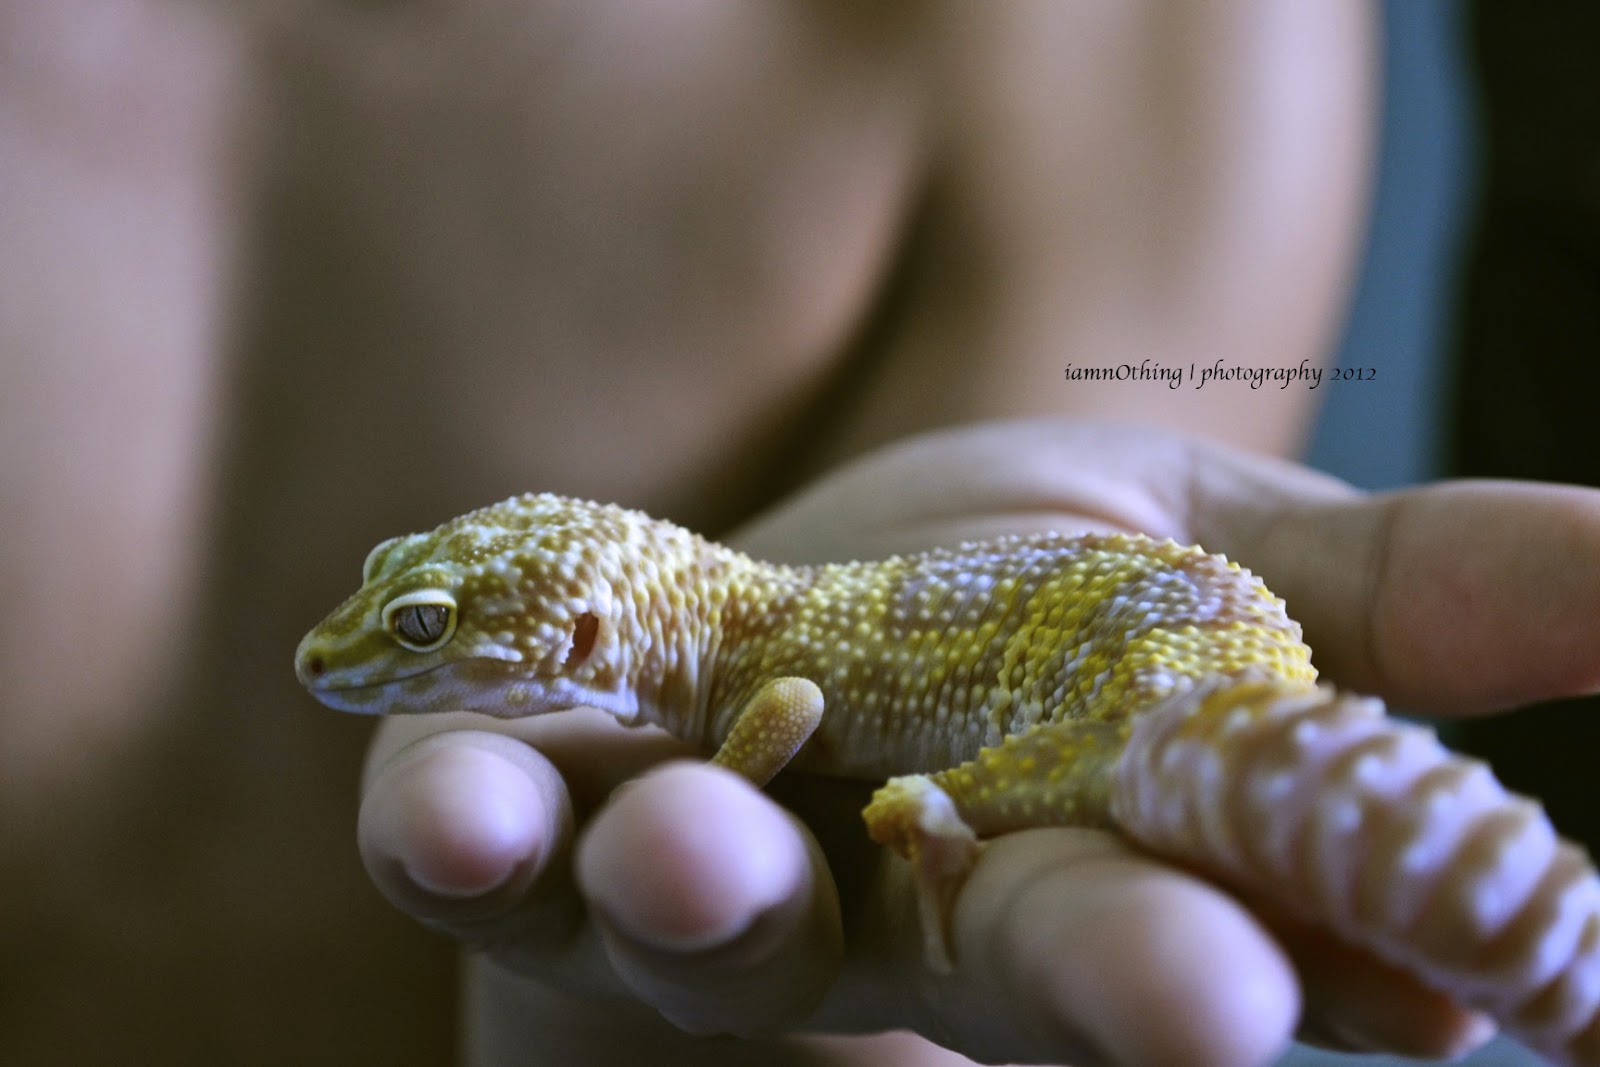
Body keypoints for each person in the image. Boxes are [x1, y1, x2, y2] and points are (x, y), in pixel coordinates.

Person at [6, 3, 1586, 1064]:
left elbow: (928, 951)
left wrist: (623, 1019)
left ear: (570, 638)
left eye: (417, 632)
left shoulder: (1128, 45)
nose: (344, 657)